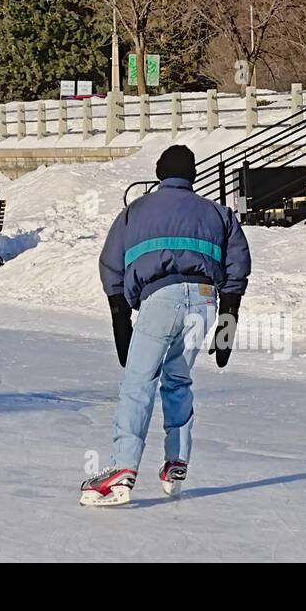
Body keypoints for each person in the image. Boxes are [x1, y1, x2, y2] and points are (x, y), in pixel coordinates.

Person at [79, 144, 250, 506]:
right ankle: (176, 462)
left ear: (159, 174)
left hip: (159, 299)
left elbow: (111, 262)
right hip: (204, 301)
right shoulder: (218, 213)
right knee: (178, 381)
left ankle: (122, 469)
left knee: (138, 384)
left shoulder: (136, 211)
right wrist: (227, 321)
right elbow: (237, 264)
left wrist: (119, 315)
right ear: (192, 176)